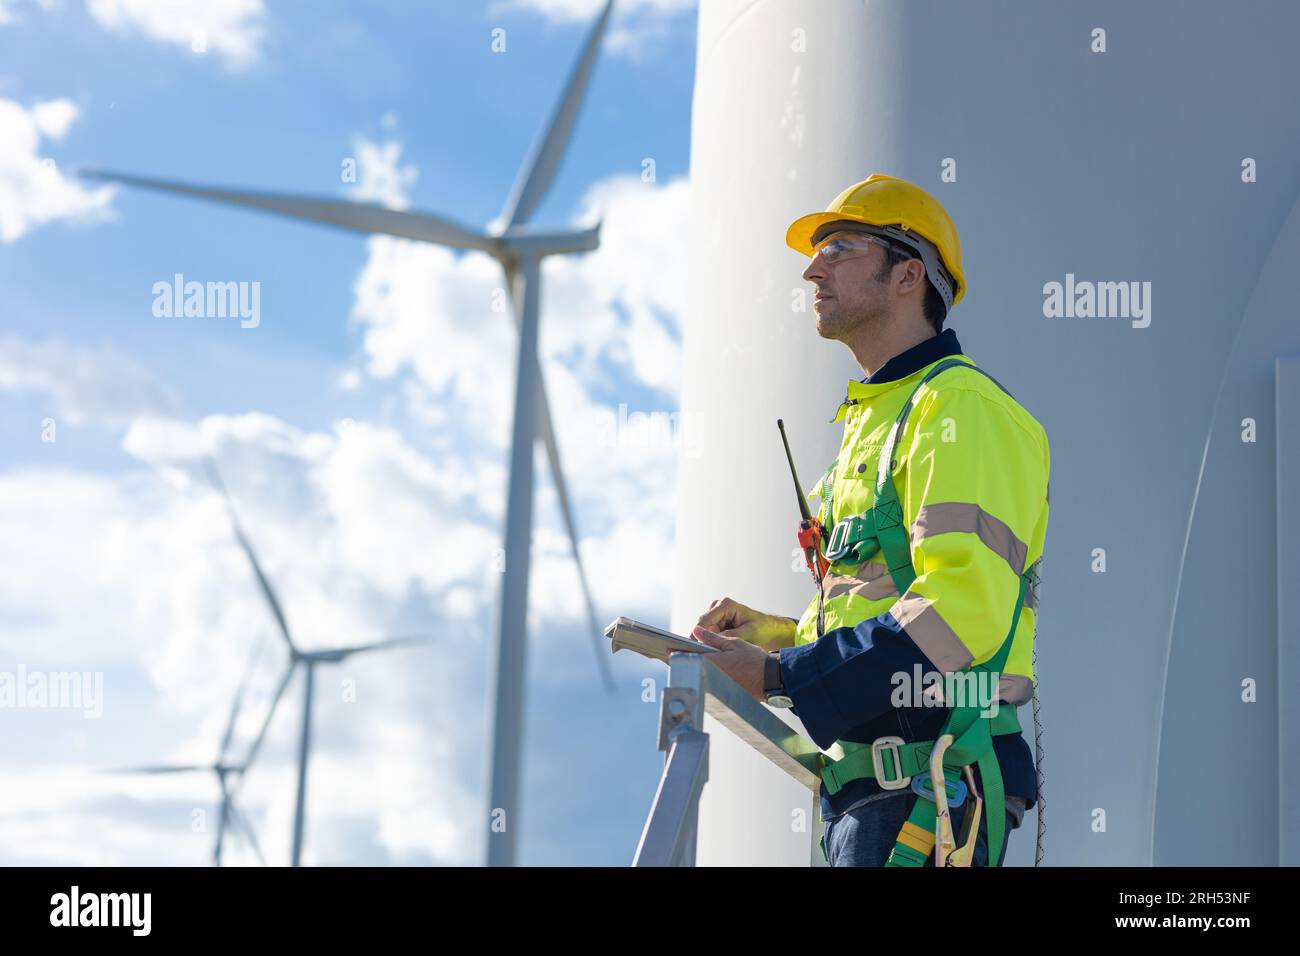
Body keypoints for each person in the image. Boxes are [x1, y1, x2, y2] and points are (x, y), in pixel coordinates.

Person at [689, 174, 1049, 867]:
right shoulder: (879, 419)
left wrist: (785, 675)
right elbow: (890, 605)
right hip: (876, 799)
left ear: (908, 274)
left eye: (841, 248)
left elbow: (960, 612)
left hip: (932, 792)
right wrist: (779, 638)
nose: (810, 268)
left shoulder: (958, 409)